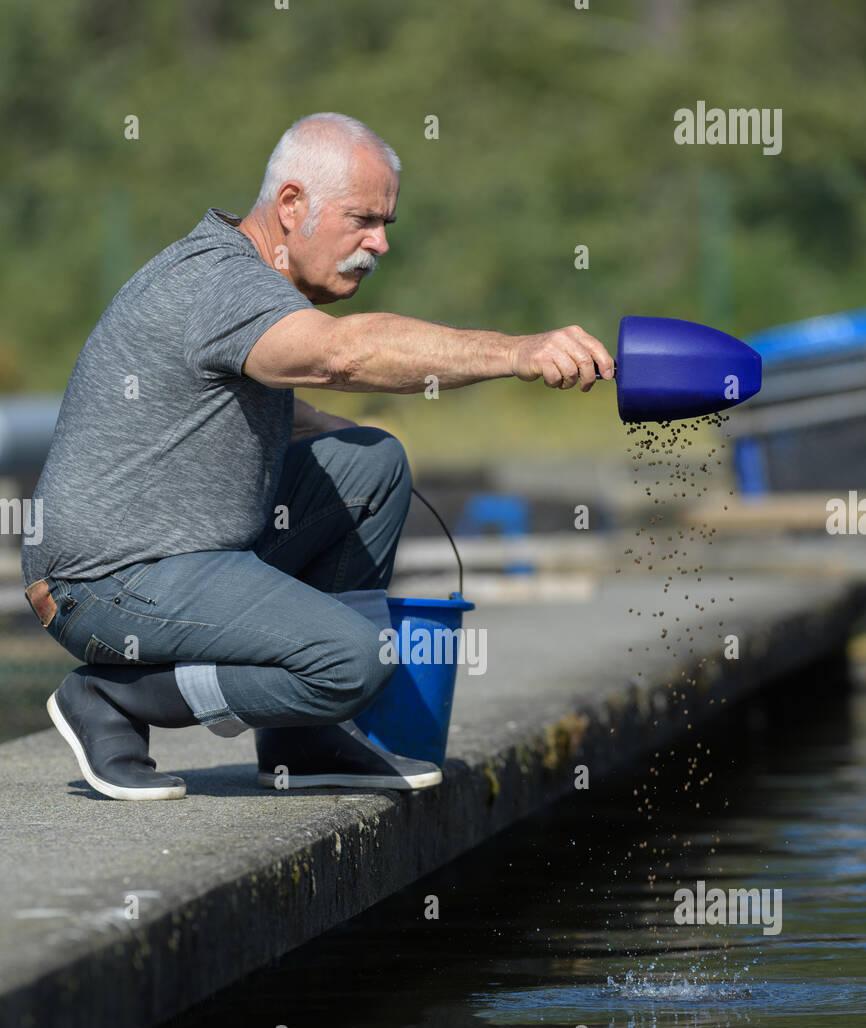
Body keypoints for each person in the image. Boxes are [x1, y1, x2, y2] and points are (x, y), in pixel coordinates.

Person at [22, 112, 614, 802]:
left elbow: (226, 404)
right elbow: (342, 354)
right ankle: (118, 698)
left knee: (369, 462)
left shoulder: (248, 283)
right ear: (291, 204)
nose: (380, 243)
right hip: (102, 582)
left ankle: (299, 742)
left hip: (192, 554)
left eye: (387, 223)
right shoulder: (223, 283)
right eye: (363, 219)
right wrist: (516, 353)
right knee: (353, 659)